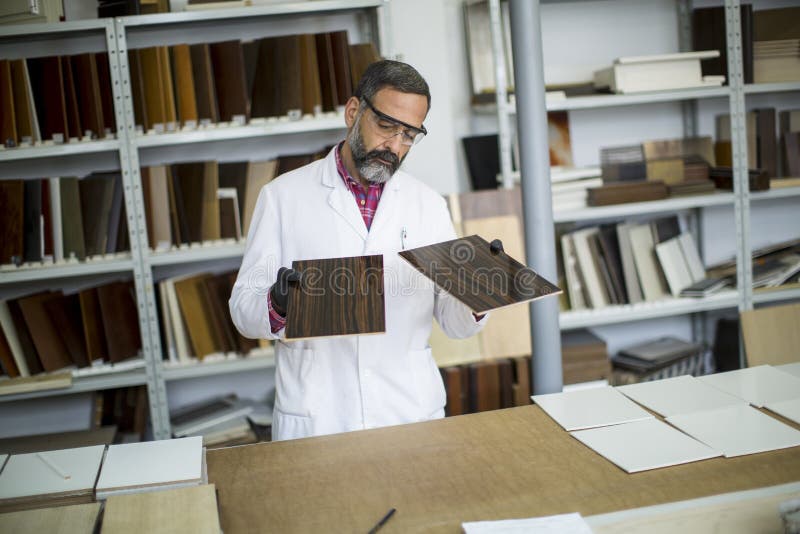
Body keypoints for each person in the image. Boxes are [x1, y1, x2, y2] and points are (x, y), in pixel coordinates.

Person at [229, 60, 491, 441]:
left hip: (409, 413)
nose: (395, 146)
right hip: (320, 417)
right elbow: (243, 311)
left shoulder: (427, 204)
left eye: (409, 135)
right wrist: (279, 304)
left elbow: (454, 322)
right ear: (353, 112)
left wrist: (477, 297)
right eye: (386, 126)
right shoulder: (283, 197)